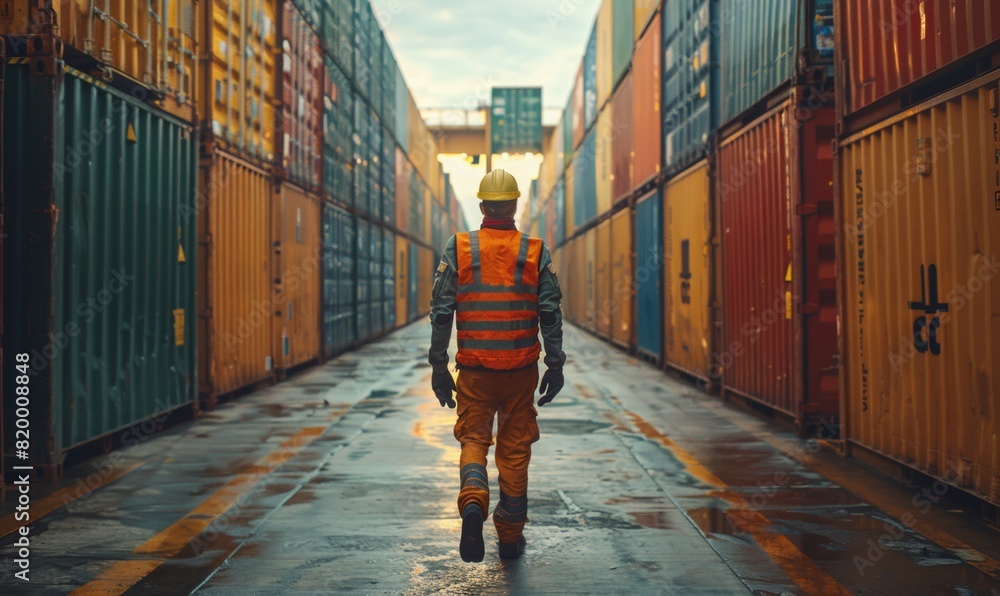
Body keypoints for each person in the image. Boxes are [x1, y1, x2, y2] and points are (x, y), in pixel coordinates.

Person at [428, 168, 566, 563]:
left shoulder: (460, 247)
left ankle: (473, 503)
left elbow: (441, 312)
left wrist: (439, 366)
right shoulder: (535, 250)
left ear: (483, 205)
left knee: (474, 440)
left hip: (474, 371)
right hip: (521, 372)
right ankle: (509, 537)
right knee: (515, 449)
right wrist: (555, 364)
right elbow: (550, 314)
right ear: (515, 204)